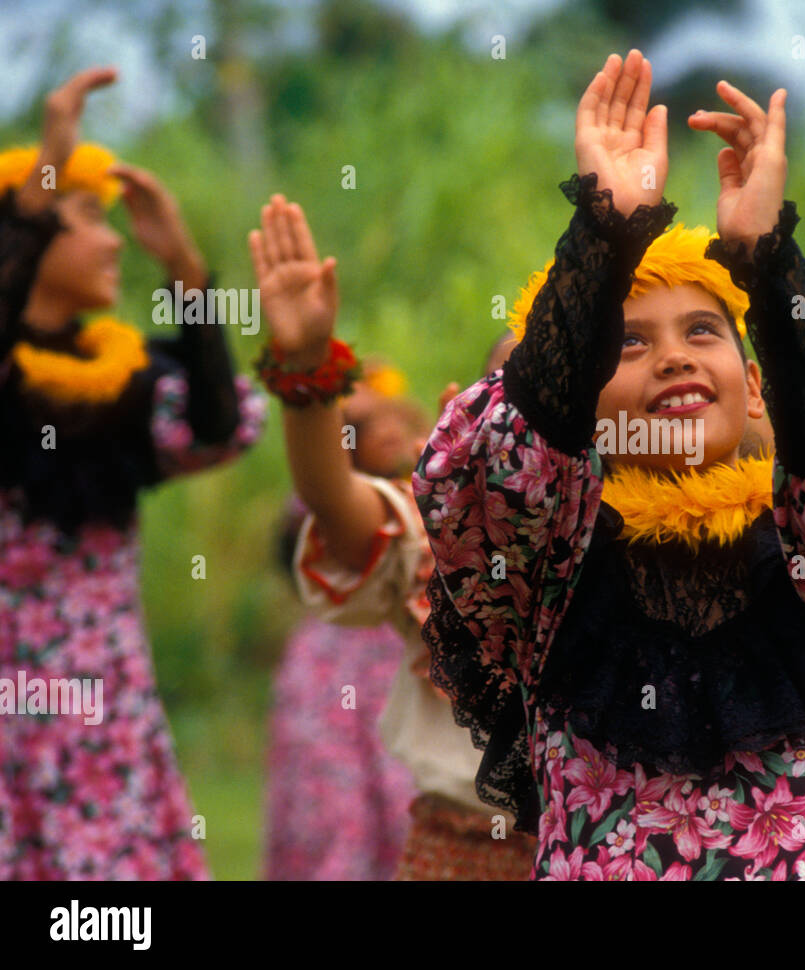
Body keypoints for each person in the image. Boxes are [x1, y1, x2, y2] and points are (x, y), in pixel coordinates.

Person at [410, 50, 805, 879]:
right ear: (581, 398)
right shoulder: (545, 579)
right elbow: (498, 469)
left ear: (758, 390)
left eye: (704, 331)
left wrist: (766, 259)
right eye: (629, 342)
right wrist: (606, 232)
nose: (674, 358)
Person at [0, 68, 264, 879]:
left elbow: (217, 424)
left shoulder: (123, 384)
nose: (115, 239)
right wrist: (49, 162)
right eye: (86, 218)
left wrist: (186, 269)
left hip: (104, 712)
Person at [248, 194, 538, 877]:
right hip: (462, 856)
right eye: (516, 383)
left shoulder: (663, 545)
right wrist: (309, 369)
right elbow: (334, 503)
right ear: (467, 417)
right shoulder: (440, 534)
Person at [263, 362, 426, 880]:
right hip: (333, 666)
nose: (388, 433)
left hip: (396, 658)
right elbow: (297, 550)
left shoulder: (425, 489)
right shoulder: (324, 498)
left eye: (390, 420)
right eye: (365, 424)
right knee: (333, 804)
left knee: (401, 796)